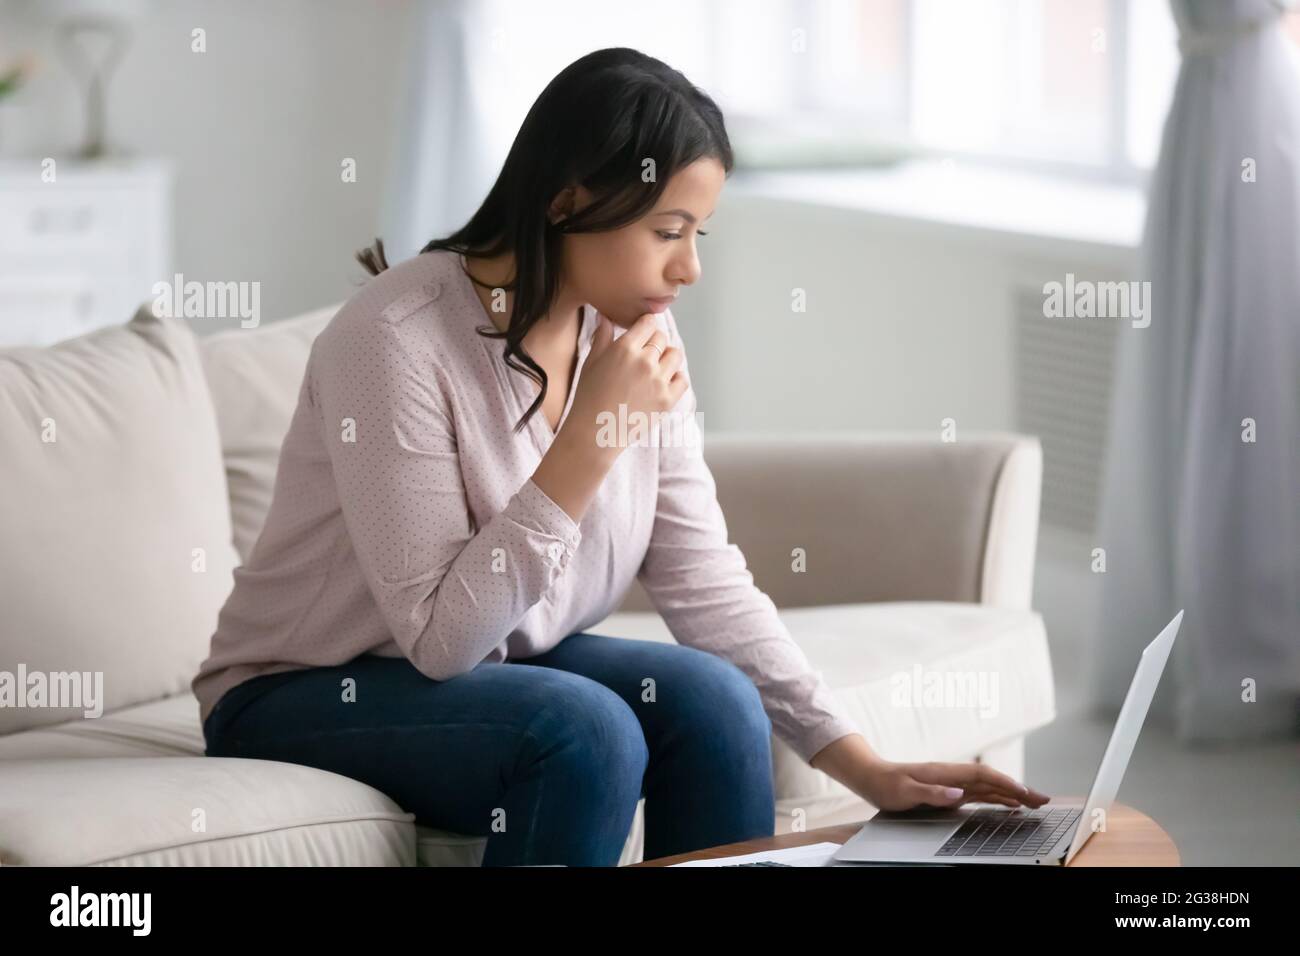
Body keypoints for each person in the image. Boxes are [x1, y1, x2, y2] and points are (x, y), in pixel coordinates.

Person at [193, 47, 1047, 867]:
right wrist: (592, 434)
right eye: (667, 229)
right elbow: (440, 642)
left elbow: (701, 575)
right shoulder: (392, 341)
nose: (689, 268)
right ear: (567, 203)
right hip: (298, 691)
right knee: (584, 729)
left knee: (715, 703)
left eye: (699, 232)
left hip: (505, 660)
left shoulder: (634, 328)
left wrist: (862, 767)